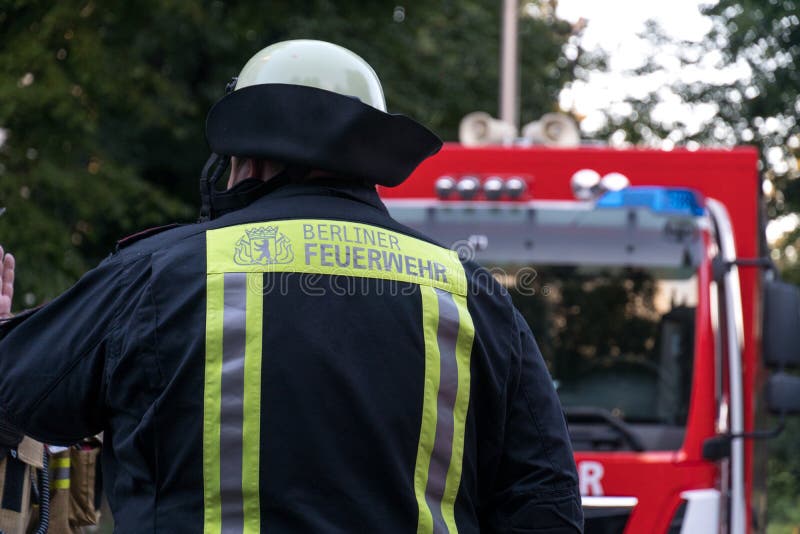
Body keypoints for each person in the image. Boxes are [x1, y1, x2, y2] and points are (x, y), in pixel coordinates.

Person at [0, 40, 583, 533]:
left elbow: (21, 396)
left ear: (249, 160)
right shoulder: (470, 292)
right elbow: (547, 502)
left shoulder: (159, 273)